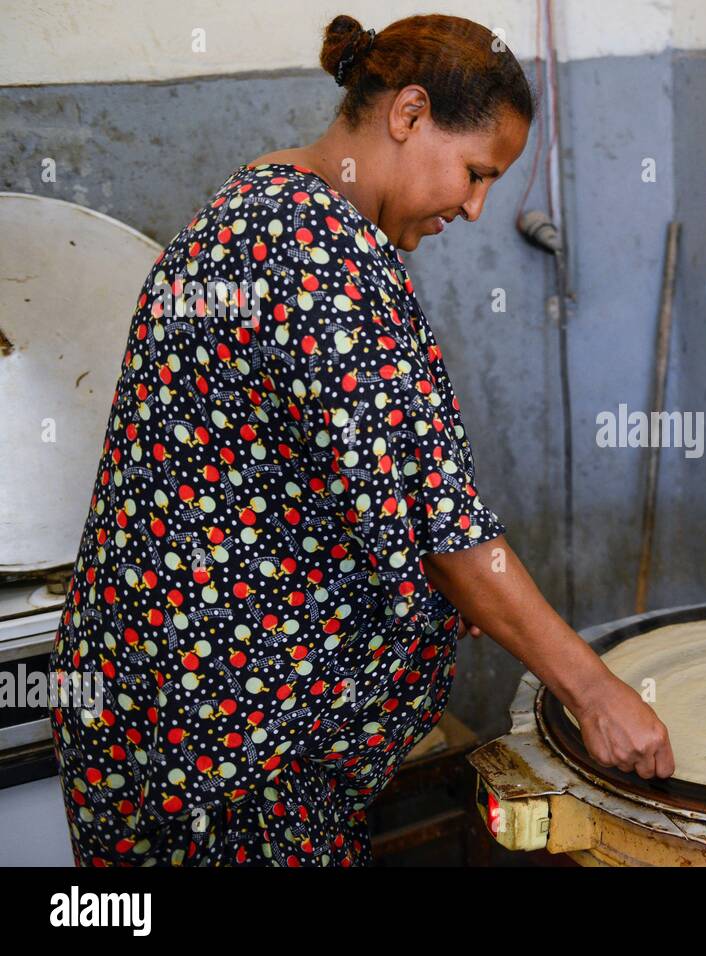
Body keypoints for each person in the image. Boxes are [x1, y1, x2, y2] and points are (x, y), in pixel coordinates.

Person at [47, 12, 673, 867]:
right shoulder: (320, 256)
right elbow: (448, 534)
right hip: (228, 765)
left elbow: (330, 486)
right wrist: (595, 692)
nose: (477, 206)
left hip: (150, 724)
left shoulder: (252, 204)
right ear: (409, 115)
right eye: (475, 172)